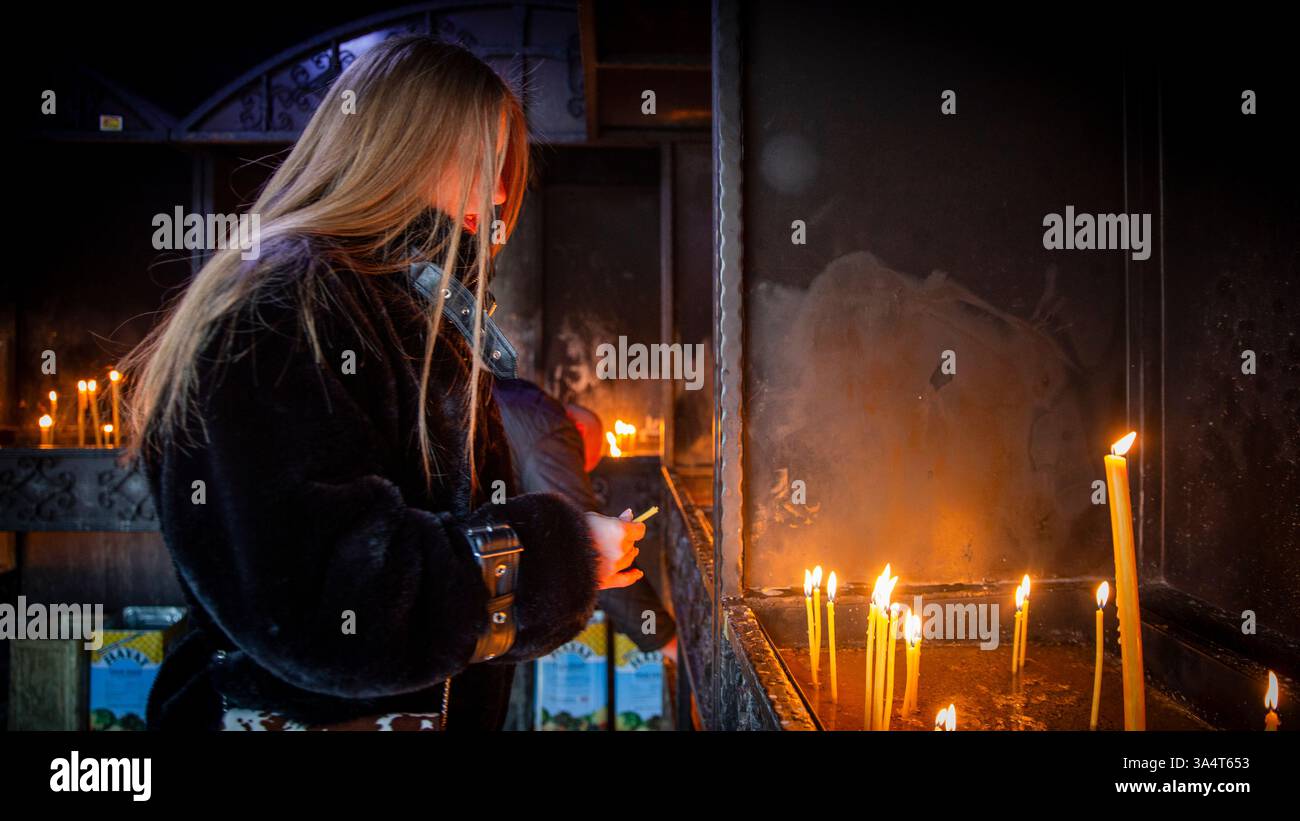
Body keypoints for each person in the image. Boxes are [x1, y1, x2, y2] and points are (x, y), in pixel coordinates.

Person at [123, 36, 644, 731]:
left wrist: (558, 555)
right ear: (399, 148)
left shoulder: (401, 310)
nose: (495, 195)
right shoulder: (290, 304)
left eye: (505, 171)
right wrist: (556, 558)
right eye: (480, 162)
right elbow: (328, 602)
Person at [494, 378, 676, 657]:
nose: (577, 470)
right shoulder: (551, 430)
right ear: (577, 428)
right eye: (577, 460)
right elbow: (586, 550)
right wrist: (665, 639)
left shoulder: (522, 398)